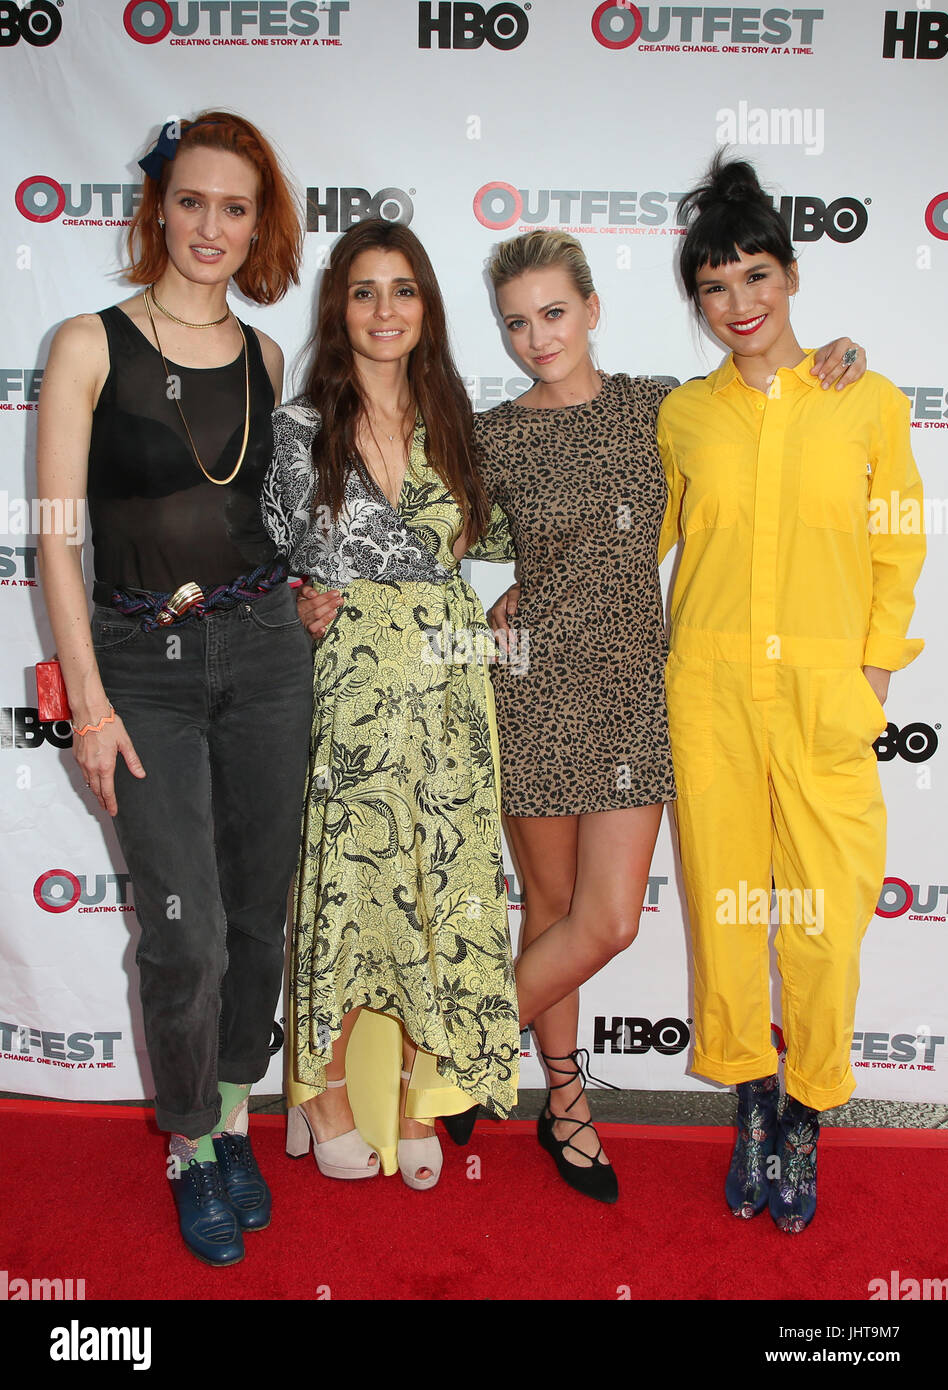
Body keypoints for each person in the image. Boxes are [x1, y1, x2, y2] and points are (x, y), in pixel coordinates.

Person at [300, 228, 864, 1205]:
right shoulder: (487, 432)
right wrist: (327, 589)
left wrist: (830, 362)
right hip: (527, 693)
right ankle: (563, 1099)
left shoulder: (665, 408)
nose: (535, 337)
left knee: (605, 922)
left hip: (639, 691)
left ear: (592, 310)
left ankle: (440, 1066)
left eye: (553, 313)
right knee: (550, 915)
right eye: (515, 322)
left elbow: (761, 415)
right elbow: (417, 529)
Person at [36, 112, 312, 1265]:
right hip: (138, 668)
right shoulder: (86, 344)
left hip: (263, 654)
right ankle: (189, 1140)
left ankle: (235, 1112)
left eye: (234, 207)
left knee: (256, 916)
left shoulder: (266, 358)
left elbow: (279, 517)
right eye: (191, 202)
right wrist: (89, 705)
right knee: (183, 930)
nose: (211, 227)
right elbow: (56, 543)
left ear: (260, 224)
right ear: (159, 208)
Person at [656, 153, 925, 1232]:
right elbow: (643, 541)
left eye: (754, 278)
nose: (736, 305)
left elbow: (896, 539)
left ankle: (806, 1113)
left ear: (791, 277)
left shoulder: (862, 399)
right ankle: (750, 1103)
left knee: (820, 924)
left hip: (822, 697)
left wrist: (870, 669)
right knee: (727, 913)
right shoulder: (681, 415)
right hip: (710, 693)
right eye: (713, 287)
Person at [262, 219, 519, 1191]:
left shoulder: (458, 420)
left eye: (402, 289)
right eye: (363, 291)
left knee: (436, 883)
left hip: (450, 690)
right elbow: (264, 566)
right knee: (337, 884)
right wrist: (298, 601)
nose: (383, 310)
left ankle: (419, 1098)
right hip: (348, 687)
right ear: (339, 307)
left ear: (426, 307)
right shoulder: (296, 430)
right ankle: (320, 1092)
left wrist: (515, 598)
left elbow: (528, 524)